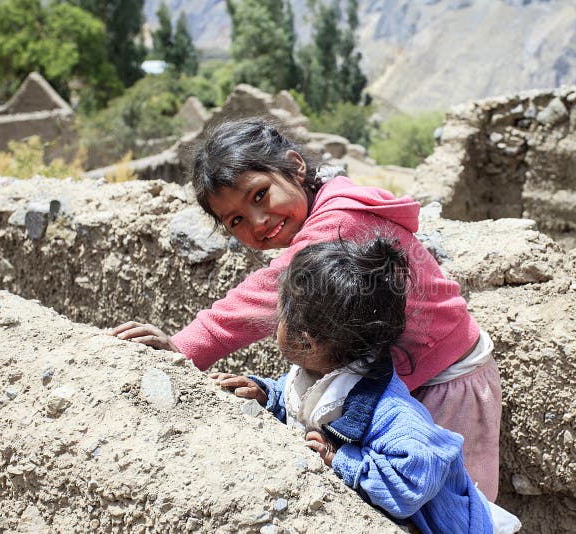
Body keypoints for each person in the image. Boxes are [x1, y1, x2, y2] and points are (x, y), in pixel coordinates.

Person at [109, 118, 502, 500]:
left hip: (447, 382)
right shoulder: (326, 209)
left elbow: (265, 292)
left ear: (296, 167)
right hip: (398, 378)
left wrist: (182, 350)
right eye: (236, 220)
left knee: (453, 503)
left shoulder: (341, 220)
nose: (259, 221)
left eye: (260, 194)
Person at [213, 237, 497, 533]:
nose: (276, 323)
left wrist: (343, 460)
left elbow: (416, 479)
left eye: (281, 314)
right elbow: (297, 401)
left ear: (306, 341)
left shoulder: (390, 414)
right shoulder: (319, 371)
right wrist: (265, 395)